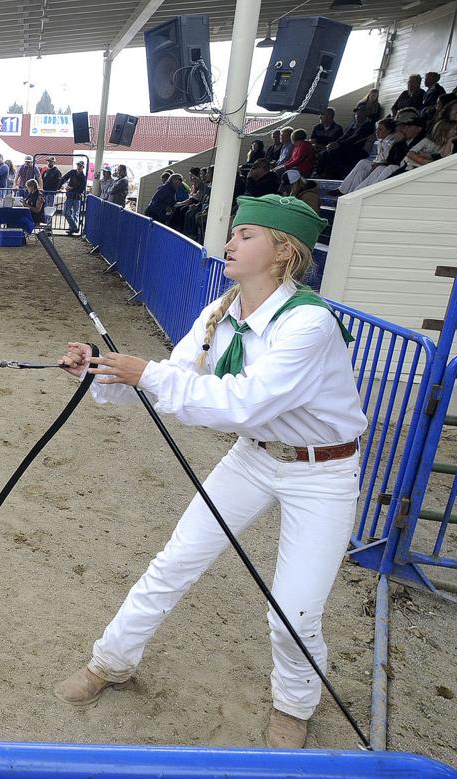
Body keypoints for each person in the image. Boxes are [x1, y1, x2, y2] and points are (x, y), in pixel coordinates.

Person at [56, 193, 364, 750]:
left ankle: (294, 705)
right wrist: (100, 372)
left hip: (322, 474)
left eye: (246, 235)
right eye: (234, 233)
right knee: (174, 562)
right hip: (254, 456)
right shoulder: (220, 312)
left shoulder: (310, 324)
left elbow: (241, 403)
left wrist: (146, 372)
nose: (229, 242)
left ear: (283, 252)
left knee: (293, 609)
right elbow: (171, 380)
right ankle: (110, 663)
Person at [60, 161, 86, 235]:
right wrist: (61, 185)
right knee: (66, 212)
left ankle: (72, 228)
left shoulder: (83, 177)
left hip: (76, 197)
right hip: (71, 196)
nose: (79, 167)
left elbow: (82, 188)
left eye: (80, 166)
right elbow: (64, 178)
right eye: (78, 165)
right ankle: (74, 227)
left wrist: (71, 188)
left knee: (75, 213)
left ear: (83, 167)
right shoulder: (72, 172)